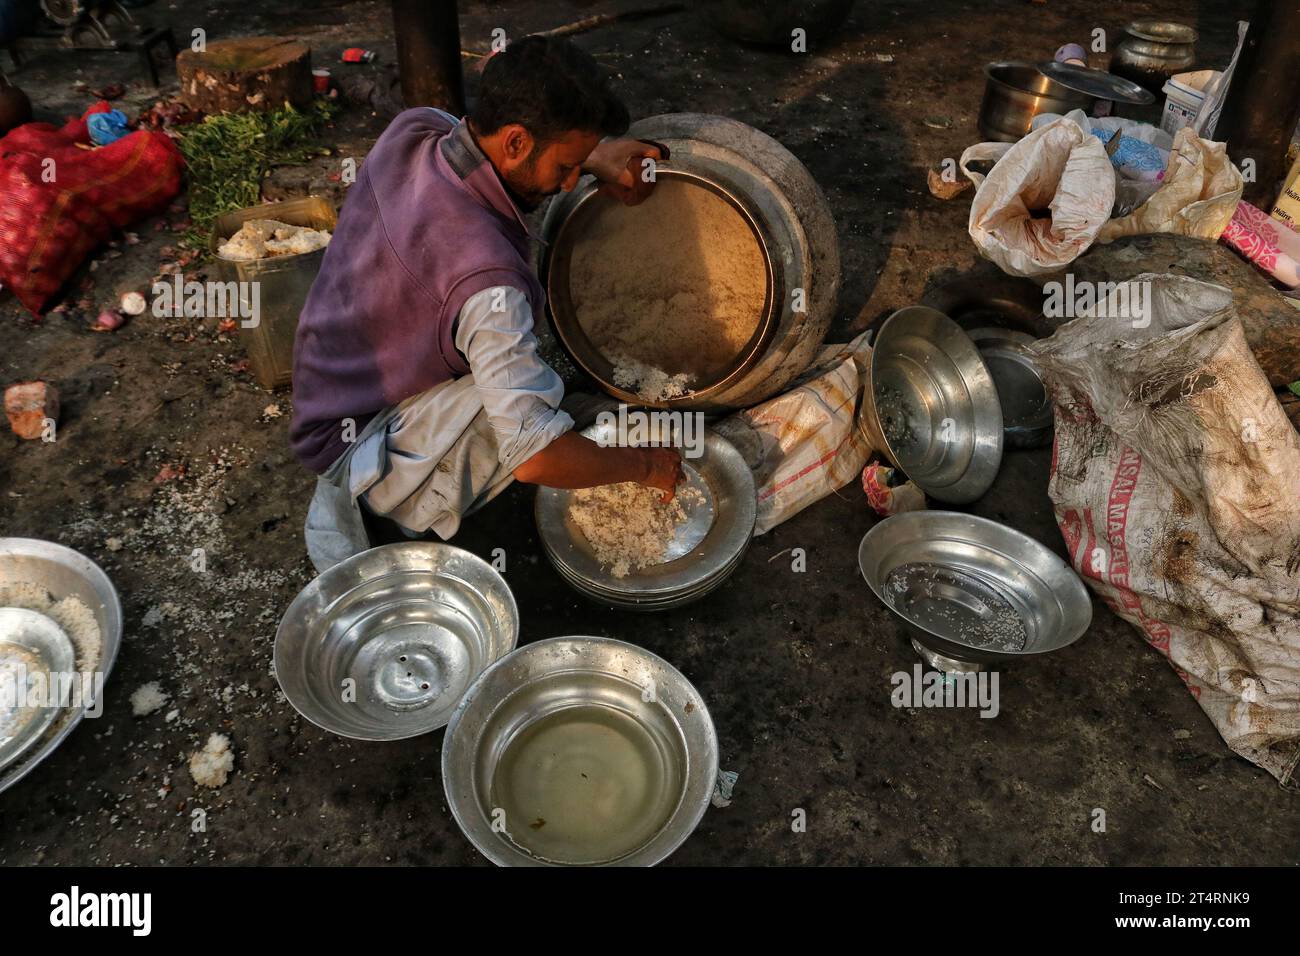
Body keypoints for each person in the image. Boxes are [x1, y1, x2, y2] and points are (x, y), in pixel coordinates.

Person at [290, 35, 684, 572]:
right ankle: (396, 512)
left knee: (520, 380)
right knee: (520, 412)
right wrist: (644, 467)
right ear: (517, 142)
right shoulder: (488, 284)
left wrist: (594, 156)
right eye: (565, 166)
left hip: (332, 387)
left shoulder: (416, 129)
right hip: (356, 446)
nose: (571, 182)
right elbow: (535, 457)